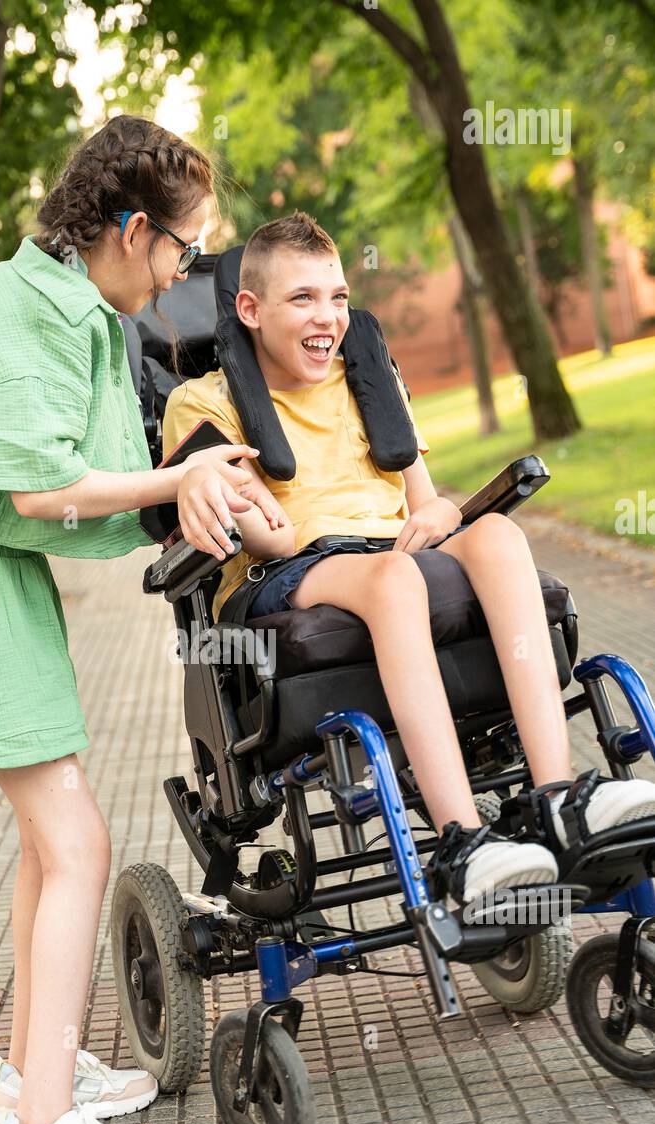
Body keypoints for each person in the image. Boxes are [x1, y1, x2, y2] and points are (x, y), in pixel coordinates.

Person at [0, 115, 272, 1124]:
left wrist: (185, 486)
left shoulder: (72, 309)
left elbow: (86, 484)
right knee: (77, 840)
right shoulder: (6, 313)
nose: (182, 275)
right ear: (133, 231)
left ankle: (26, 1076)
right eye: (183, 251)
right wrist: (171, 483)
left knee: (50, 848)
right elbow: (42, 488)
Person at [163, 211, 655, 906]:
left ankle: (559, 798)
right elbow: (261, 539)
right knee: (394, 578)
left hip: (388, 550)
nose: (326, 318)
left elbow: (425, 501)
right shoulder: (203, 403)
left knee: (498, 537)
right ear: (249, 308)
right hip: (285, 570)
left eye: (337, 297)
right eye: (301, 299)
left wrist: (440, 514)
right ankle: (462, 842)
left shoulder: (366, 379)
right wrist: (255, 519)